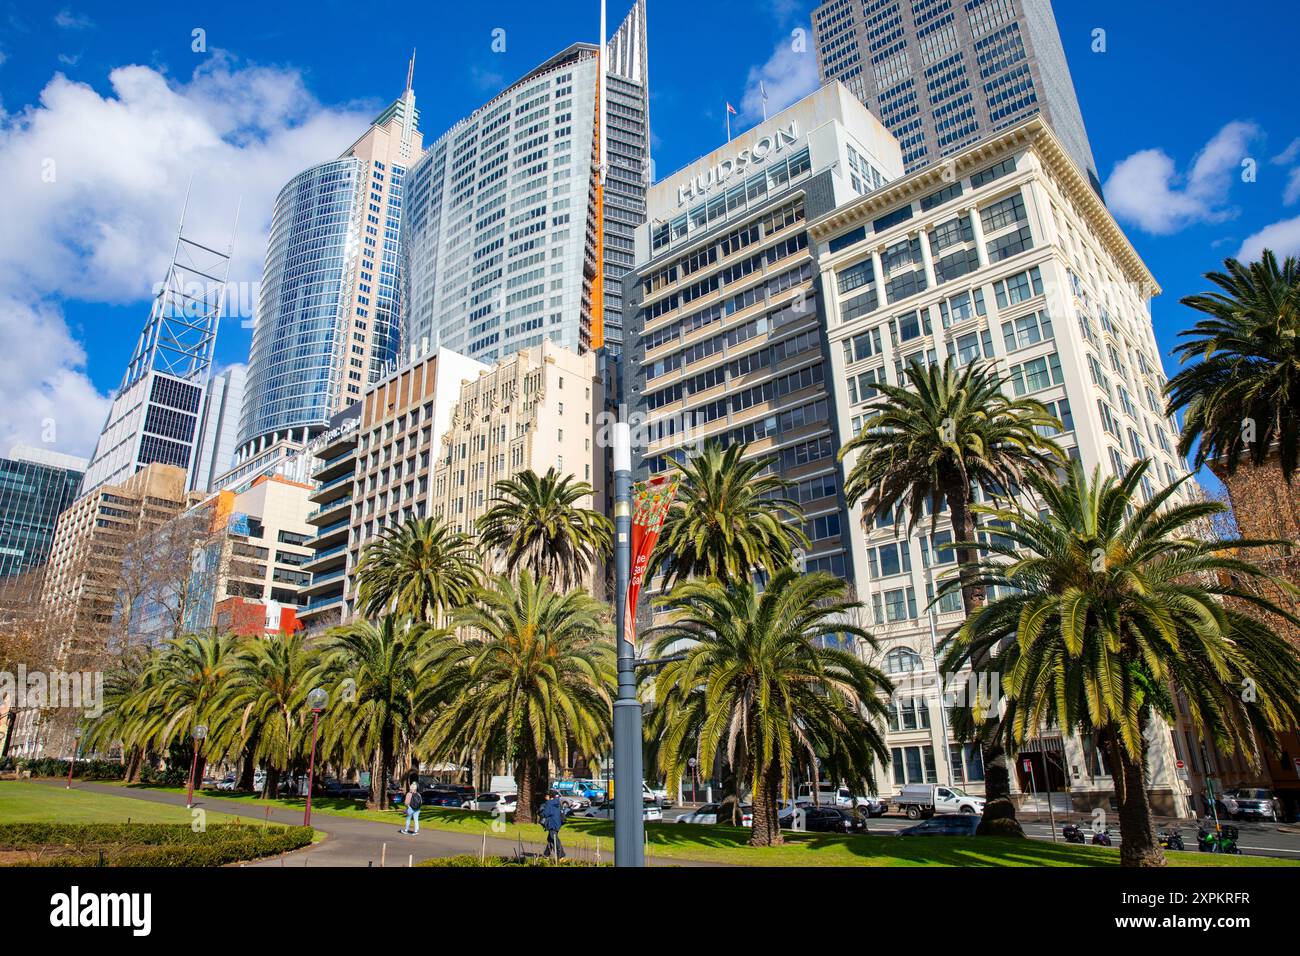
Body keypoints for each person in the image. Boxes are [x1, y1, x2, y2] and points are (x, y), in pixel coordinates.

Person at [540, 789, 566, 859]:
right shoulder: (557, 802)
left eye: (546, 795)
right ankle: (546, 854)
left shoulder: (549, 803)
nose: (545, 797)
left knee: (554, 839)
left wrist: (541, 812)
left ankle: (561, 855)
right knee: (550, 839)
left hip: (552, 823)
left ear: (550, 796)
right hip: (558, 823)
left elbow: (546, 813)